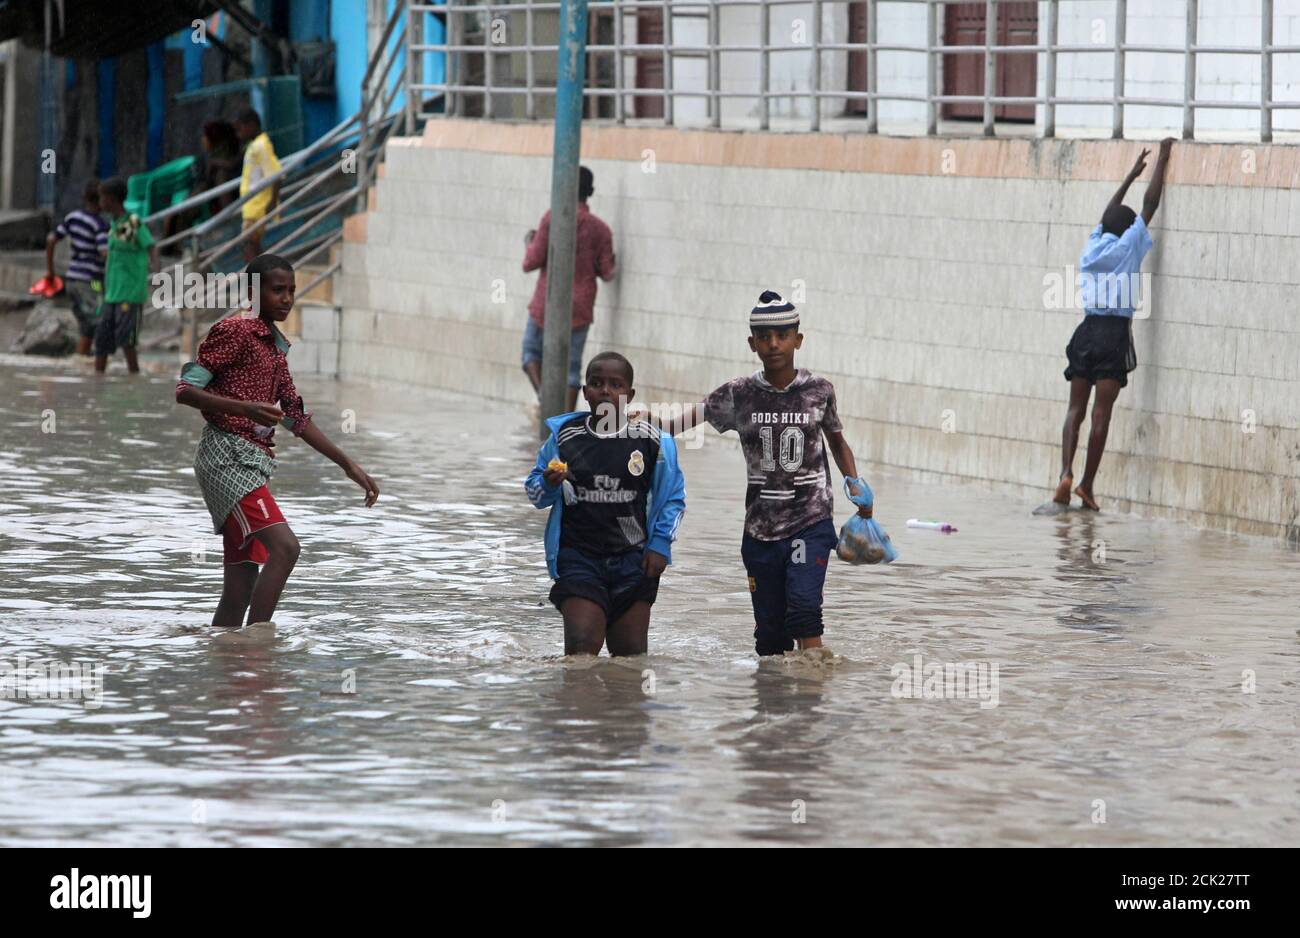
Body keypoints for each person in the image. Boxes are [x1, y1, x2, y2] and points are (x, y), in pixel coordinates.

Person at [653, 291, 872, 657]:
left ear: (797, 340)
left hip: (810, 520)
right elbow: (684, 422)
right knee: (770, 639)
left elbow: (837, 441)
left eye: (783, 335)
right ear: (752, 343)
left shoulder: (819, 392)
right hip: (760, 529)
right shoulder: (739, 394)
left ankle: (810, 693)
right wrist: (648, 424)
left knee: (804, 609)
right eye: (765, 337)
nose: (774, 344)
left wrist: (855, 481)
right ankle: (775, 701)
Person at [175, 253, 380, 632]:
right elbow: (185, 390)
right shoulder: (233, 332)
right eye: (277, 291)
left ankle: (229, 658)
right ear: (254, 293)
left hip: (251, 461)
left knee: (239, 586)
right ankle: (258, 646)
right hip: (225, 457)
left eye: (291, 291)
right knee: (286, 549)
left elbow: (295, 417)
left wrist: (348, 465)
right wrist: (246, 409)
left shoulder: (274, 346)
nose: (286, 299)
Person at [526, 351, 685, 656]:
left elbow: (673, 497)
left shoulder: (653, 441)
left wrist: (661, 544)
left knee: (629, 657)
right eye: (596, 383)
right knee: (582, 646)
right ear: (585, 393)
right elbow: (534, 493)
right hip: (578, 557)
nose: (606, 391)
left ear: (630, 395)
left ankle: (617, 706)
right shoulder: (564, 438)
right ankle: (574, 703)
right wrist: (547, 483)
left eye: (616, 385)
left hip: (633, 559)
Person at [1055, 137, 1174, 511]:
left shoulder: (1093, 247)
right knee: (1101, 413)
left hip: (1086, 331)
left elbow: (1108, 213)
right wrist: (1164, 158)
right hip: (1113, 335)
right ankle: (1087, 485)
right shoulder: (1128, 246)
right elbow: (1150, 204)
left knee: (1075, 410)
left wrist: (1128, 175)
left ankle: (1064, 474)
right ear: (1127, 230)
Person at [521, 166, 616, 412]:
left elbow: (531, 262)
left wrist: (530, 243)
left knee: (530, 352)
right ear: (591, 192)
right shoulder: (601, 230)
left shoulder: (552, 218)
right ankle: (566, 420)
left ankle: (546, 401)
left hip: (548, 301)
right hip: (581, 306)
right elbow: (608, 273)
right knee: (572, 367)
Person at [94, 177, 157, 374]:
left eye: (102, 197)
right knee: (102, 341)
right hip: (111, 294)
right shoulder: (114, 224)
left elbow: (151, 246)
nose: (100, 202)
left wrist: (156, 271)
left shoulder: (133, 222)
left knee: (127, 341)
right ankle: (97, 382)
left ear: (112, 199)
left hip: (130, 293)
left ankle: (134, 379)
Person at [45, 180, 109, 356]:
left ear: (84, 198)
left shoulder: (72, 218)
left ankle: (82, 362)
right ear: (102, 202)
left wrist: (50, 271)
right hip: (91, 281)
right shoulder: (100, 225)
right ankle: (94, 363)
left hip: (72, 279)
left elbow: (51, 240)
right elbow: (105, 254)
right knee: (98, 318)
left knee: (87, 324)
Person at [235, 108, 281, 262]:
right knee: (252, 245)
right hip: (251, 206)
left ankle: (259, 282)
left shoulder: (260, 146)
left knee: (248, 244)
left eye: (240, 128)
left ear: (252, 125)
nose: (238, 133)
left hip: (257, 207)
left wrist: (272, 202)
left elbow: (276, 175)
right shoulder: (255, 145)